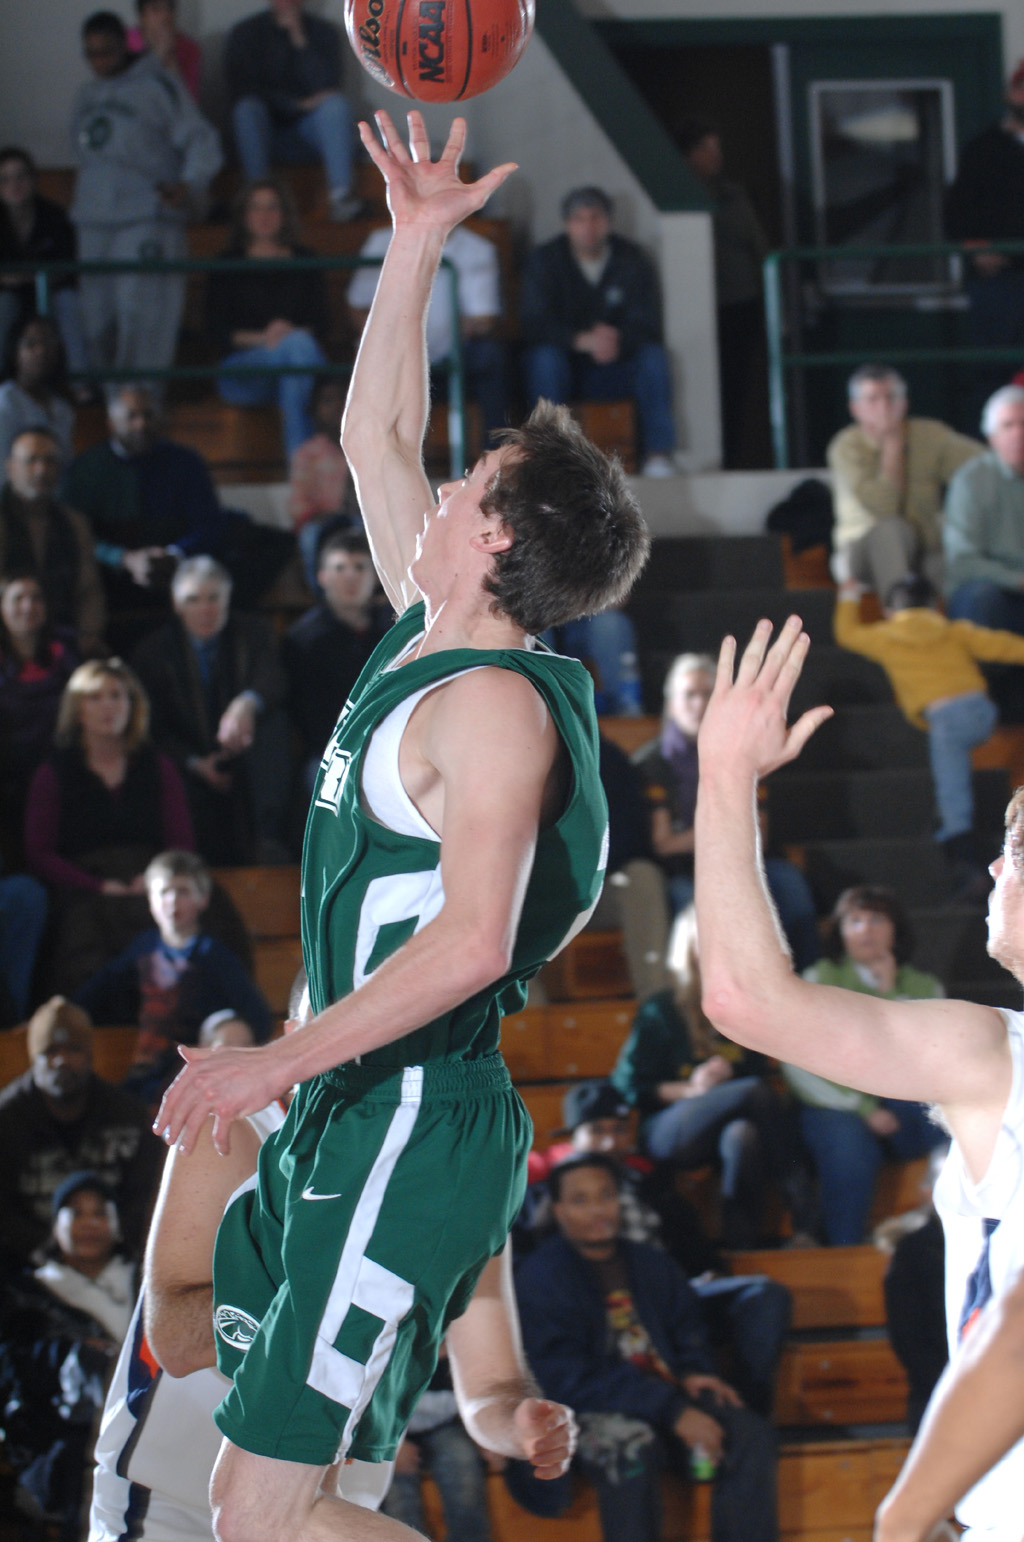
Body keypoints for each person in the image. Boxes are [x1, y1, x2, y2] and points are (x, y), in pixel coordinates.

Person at [152, 108, 648, 1542]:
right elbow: (374, 423)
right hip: (350, 1118)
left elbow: (476, 935)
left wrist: (277, 1062)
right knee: (253, 1484)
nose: (441, 482)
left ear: (493, 534)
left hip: (407, 1117)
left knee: (257, 1515)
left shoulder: (491, 705)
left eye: (471, 480)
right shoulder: (431, 628)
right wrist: (417, 235)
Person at [692, 609, 1024, 1539]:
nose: (996, 865)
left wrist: (722, 778)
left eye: (1019, 849)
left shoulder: (990, 1051)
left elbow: (745, 1001)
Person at [515, 1153, 779, 1542]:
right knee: (631, 1447)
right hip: (584, 1412)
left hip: (663, 1396)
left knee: (750, 1433)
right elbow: (567, 1379)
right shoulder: (540, 1278)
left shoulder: (652, 1263)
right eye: (581, 1200)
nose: (598, 1210)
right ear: (559, 1211)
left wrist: (695, 1372)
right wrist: (672, 1410)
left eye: (606, 1196)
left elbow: (688, 1330)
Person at [522, 1081, 791, 1418]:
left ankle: (739, 1408)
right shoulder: (542, 1197)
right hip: (593, 1313)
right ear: (573, 1137)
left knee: (763, 1296)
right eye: (596, 1130)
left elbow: (698, 1254)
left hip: (670, 1300)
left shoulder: (654, 1186)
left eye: (618, 1130)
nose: (609, 1142)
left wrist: (707, 1273)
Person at [611, 905, 797, 1250]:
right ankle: (798, 1201)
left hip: (729, 1121)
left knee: (744, 1136)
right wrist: (693, 1089)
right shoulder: (661, 1010)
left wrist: (726, 1079)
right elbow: (629, 1085)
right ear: (688, 945)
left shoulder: (742, 1007)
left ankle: (740, 1247)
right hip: (667, 1128)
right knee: (755, 1093)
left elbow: (755, 1070)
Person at [781, 885, 948, 1246]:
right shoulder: (819, 979)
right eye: (854, 921)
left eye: (876, 920)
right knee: (849, 1150)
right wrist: (862, 1106)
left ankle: (943, 1222)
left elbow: (925, 1060)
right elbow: (799, 1063)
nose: (865, 930)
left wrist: (889, 993)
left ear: (895, 929)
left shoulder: (924, 986)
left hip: (901, 1101)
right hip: (836, 1105)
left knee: (953, 1117)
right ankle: (847, 1250)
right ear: (840, 932)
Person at [835, 572, 1024, 888]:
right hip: (982, 713)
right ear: (934, 607)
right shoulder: (952, 629)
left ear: (891, 611)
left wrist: (849, 596)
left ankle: (962, 853)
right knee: (953, 774)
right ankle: (947, 824)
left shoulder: (887, 635)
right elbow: (1003, 646)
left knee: (954, 791)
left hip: (946, 720)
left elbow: (847, 633)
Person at [637, 651, 820, 969]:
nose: (698, 703)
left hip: (751, 861)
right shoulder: (651, 763)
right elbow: (664, 843)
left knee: (791, 887)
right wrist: (729, 826)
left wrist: (705, 833)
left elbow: (758, 832)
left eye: (707, 694)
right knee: (686, 901)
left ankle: (807, 983)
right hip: (685, 869)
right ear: (670, 701)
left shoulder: (745, 750)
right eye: (689, 694)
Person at [24, 657, 195, 992]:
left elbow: (182, 841)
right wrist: (97, 886)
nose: (108, 706)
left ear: (132, 705)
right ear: (77, 709)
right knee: (84, 932)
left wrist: (153, 879)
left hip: (152, 881)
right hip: (84, 887)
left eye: (117, 695)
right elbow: (39, 853)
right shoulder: (53, 774)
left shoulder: (158, 767)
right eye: (95, 697)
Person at [70, 9, 222, 376]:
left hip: (144, 220)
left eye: (106, 51)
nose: (100, 61)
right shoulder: (85, 96)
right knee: (96, 323)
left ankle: (143, 408)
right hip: (93, 222)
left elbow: (203, 142)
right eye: (91, 53)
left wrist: (188, 184)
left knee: (141, 319)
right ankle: (113, 415)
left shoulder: (159, 86)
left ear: (125, 44)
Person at [0, 1170, 135, 1540]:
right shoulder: (27, 1294)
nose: (89, 1224)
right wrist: (72, 1357)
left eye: (100, 1213)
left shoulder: (145, 1282)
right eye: (75, 1213)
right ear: (56, 1224)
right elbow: (13, 1369)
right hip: (67, 1434)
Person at [75, 849, 271, 1103]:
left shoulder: (211, 954)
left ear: (203, 899)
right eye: (163, 892)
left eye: (183, 891)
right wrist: (67, 1008)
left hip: (191, 1067)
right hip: (149, 1065)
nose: (172, 901)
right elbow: (103, 985)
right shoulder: (144, 946)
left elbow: (258, 1016)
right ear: (150, 900)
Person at [133, 555, 291, 865]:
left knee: (274, 723)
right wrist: (194, 763)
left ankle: (269, 843)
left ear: (227, 598)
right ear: (177, 605)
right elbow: (153, 728)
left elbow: (275, 680)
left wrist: (246, 702)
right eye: (193, 600)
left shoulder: (254, 633)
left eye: (213, 598)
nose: (205, 609)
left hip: (247, 751)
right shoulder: (152, 653)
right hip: (188, 758)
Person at [521, 186, 677, 478]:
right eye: (579, 219)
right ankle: (549, 454)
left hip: (617, 361)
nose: (588, 227)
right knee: (543, 359)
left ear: (608, 222)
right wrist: (580, 340)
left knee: (654, 357)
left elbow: (647, 322)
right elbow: (534, 323)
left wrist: (617, 340)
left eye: (596, 218)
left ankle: (658, 454)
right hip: (567, 364)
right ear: (567, 224)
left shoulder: (631, 259)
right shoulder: (545, 260)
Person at [0, 996, 162, 1268]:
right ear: (33, 1059)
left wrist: (109, 1249)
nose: (61, 1061)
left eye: (73, 1049)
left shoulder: (128, 1116)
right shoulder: (6, 1121)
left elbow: (144, 1198)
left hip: (118, 1260)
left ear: (90, 1055)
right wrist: (52, 1250)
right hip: (28, 1267)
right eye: (50, 1052)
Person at [62, 383, 228, 626]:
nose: (141, 424)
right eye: (131, 417)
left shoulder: (186, 462)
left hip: (176, 573)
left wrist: (173, 555)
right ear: (111, 423)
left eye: (148, 415)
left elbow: (209, 524)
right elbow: (73, 533)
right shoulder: (86, 469)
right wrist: (123, 559)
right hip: (108, 578)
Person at [348, 220, 508, 455]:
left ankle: (493, 460)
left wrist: (449, 334)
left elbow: (483, 318)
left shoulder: (477, 248)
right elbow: (357, 307)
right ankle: (377, 458)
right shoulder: (380, 241)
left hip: (454, 357)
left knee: (492, 357)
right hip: (393, 358)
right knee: (371, 362)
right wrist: (390, 344)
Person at [827, 364, 981, 596]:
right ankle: (902, 614)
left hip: (927, 549)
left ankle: (960, 630)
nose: (884, 408)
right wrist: (893, 445)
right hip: (862, 551)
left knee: (960, 572)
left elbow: (985, 467)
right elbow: (885, 508)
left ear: (904, 403)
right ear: (855, 408)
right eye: (872, 399)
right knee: (893, 530)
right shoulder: (846, 447)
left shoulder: (929, 435)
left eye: (891, 398)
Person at [207, 178, 329, 459]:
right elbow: (216, 331)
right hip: (243, 371)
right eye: (256, 208)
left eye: (272, 207)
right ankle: (308, 474)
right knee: (298, 351)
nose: (264, 216)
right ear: (244, 215)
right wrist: (266, 339)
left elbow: (321, 323)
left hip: (295, 366)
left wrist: (289, 333)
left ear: (285, 214)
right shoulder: (226, 263)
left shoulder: (304, 259)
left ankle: (300, 475)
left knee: (293, 377)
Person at [678, 118, 769, 471]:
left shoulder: (734, 195)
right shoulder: (683, 193)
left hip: (738, 304)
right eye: (707, 148)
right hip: (696, 308)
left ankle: (732, 459)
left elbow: (757, 245)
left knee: (737, 387)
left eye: (718, 148)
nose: (716, 156)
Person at [224, 0, 361, 222]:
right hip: (263, 133)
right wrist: (294, 105)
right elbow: (243, 90)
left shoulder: (324, 32)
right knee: (247, 111)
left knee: (336, 106)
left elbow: (328, 86)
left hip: (310, 133)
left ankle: (341, 197)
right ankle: (257, 201)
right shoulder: (246, 33)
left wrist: (300, 39)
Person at [281, 529, 391, 791]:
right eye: (340, 568)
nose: (350, 577)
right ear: (323, 577)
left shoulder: (391, 628)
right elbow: (308, 717)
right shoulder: (303, 639)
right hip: (331, 751)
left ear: (374, 576)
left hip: (390, 743)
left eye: (359, 567)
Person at [944, 60, 1024, 407]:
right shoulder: (983, 149)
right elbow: (955, 215)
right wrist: (977, 249)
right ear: (1011, 93)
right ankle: (993, 452)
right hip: (1000, 281)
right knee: (996, 373)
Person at [0, 427, 106, 650]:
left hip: (64, 644)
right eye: (31, 461)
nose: (41, 470)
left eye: (49, 461)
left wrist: (87, 635)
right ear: (10, 467)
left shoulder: (75, 523)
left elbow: (88, 590)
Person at [0, 573, 81, 859]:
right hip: (11, 783)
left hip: (63, 773)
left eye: (36, 598)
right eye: (17, 599)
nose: (28, 606)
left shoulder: (67, 652)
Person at [0, 146, 88, 384]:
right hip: (8, 295)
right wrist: (14, 279)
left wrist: (37, 278)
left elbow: (68, 266)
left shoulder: (55, 216)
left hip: (51, 289)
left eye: (21, 176)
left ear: (33, 179)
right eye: (5, 179)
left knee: (69, 302)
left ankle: (81, 383)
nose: (14, 185)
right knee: (4, 305)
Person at [287, 373, 358, 586]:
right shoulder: (308, 453)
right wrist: (323, 518)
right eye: (328, 400)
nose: (337, 406)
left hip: (364, 522)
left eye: (343, 399)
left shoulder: (369, 448)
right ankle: (322, 595)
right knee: (311, 535)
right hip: (325, 523)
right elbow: (298, 504)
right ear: (315, 410)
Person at [0, 313, 76, 475]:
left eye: (48, 343)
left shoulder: (62, 408)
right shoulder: (6, 401)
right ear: (15, 353)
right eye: (30, 344)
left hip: (52, 497)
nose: (41, 351)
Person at [127, 0, 201, 101]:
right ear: (142, 16)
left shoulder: (189, 48)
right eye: (156, 9)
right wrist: (158, 58)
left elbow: (188, 101)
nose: (165, 16)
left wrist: (170, 60)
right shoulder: (125, 44)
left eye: (170, 8)